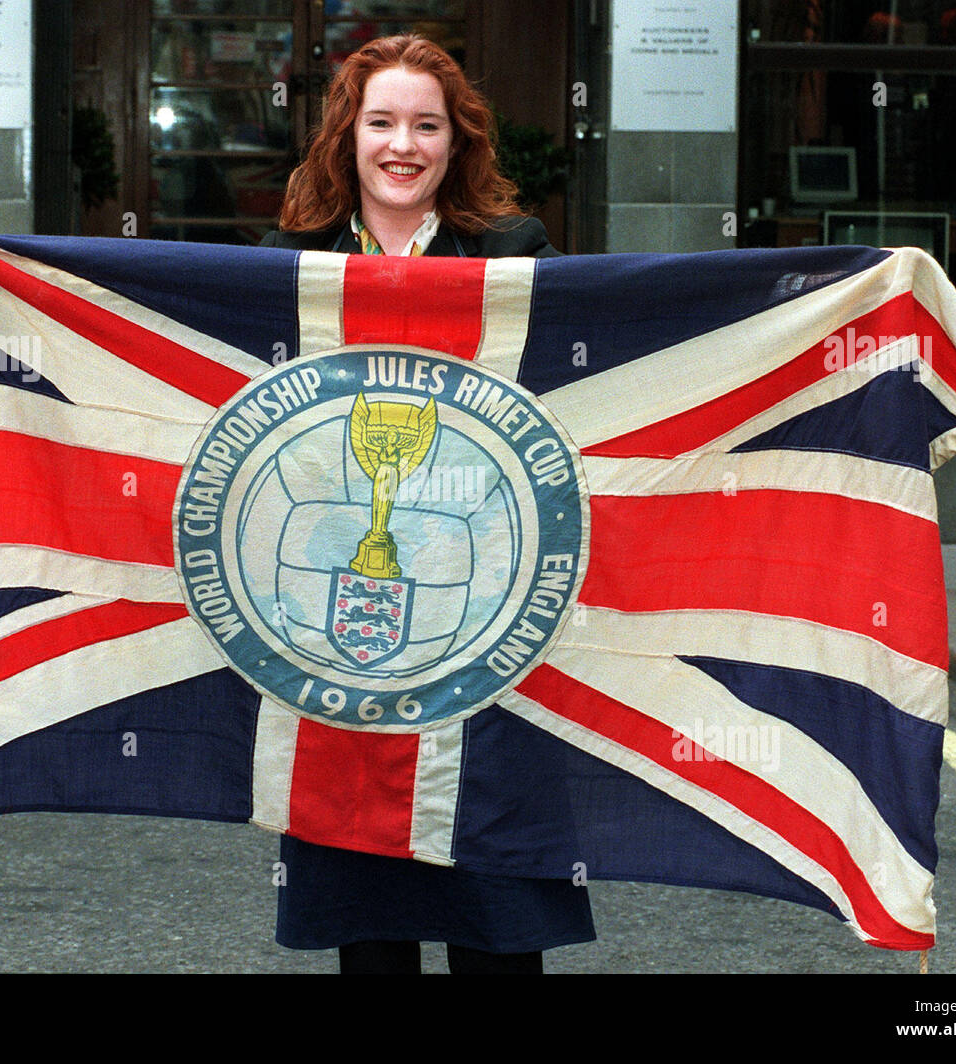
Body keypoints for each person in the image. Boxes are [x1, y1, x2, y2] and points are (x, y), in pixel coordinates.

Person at [258, 34, 594, 976]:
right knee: (369, 936)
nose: (402, 144)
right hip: (339, 628)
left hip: (481, 621)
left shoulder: (515, 255)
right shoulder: (292, 262)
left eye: (426, 125)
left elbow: (586, 392)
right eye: (381, 123)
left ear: (457, 142)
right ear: (346, 137)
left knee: (497, 930)